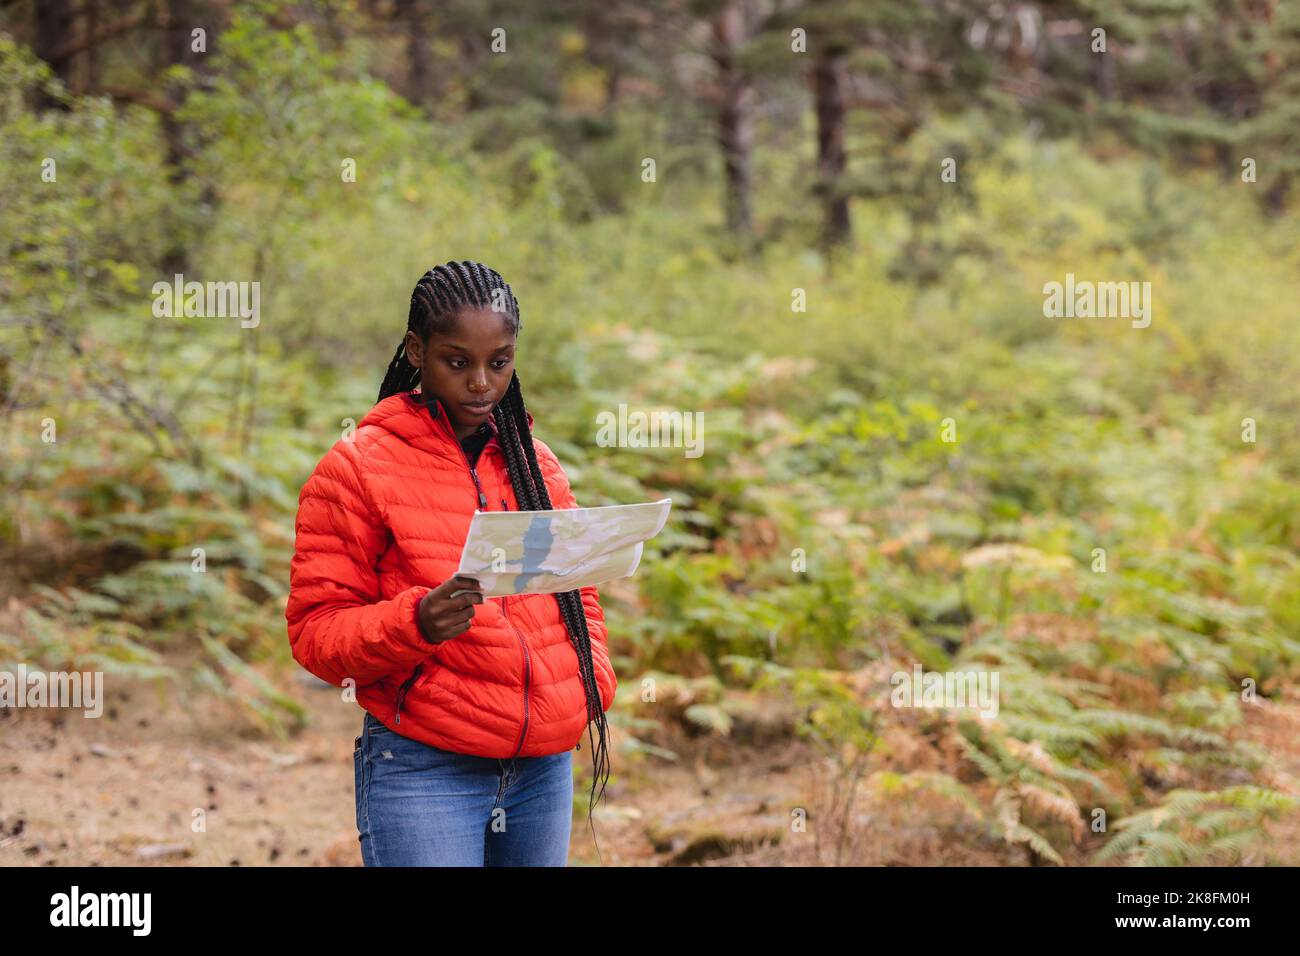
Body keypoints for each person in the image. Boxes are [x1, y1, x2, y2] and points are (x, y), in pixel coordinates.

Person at [285, 260, 617, 866]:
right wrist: (416, 622)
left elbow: (576, 593)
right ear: (417, 350)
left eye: (500, 361)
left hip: (541, 769)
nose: (482, 383)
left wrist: (588, 679)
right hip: (425, 765)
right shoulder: (357, 469)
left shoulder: (534, 464)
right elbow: (314, 632)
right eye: (457, 362)